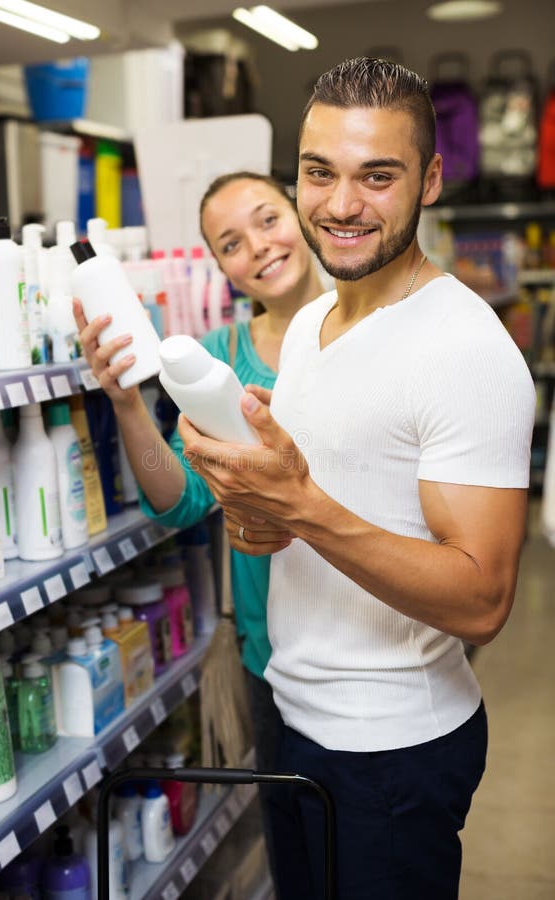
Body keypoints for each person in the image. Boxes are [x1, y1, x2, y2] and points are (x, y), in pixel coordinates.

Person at [177, 58, 536, 899]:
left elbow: (483, 598)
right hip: (297, 719)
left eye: (378, 175)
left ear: (432, 179)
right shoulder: (306, 328)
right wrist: (257, 515)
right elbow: (313, 519)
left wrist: (300, 506)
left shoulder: (463, 349)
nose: (340, 205)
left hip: (393, 752)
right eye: (319, 172)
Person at [73, 170, 324, 883]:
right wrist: (125, 402)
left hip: (373, 641)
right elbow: (180, 498)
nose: (260, 246)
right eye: (232, 242)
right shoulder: (219, 355)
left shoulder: (365, 329)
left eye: (268, 218)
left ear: (301, 214)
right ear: (222, 267)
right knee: (299, 856)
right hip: (271, 653)